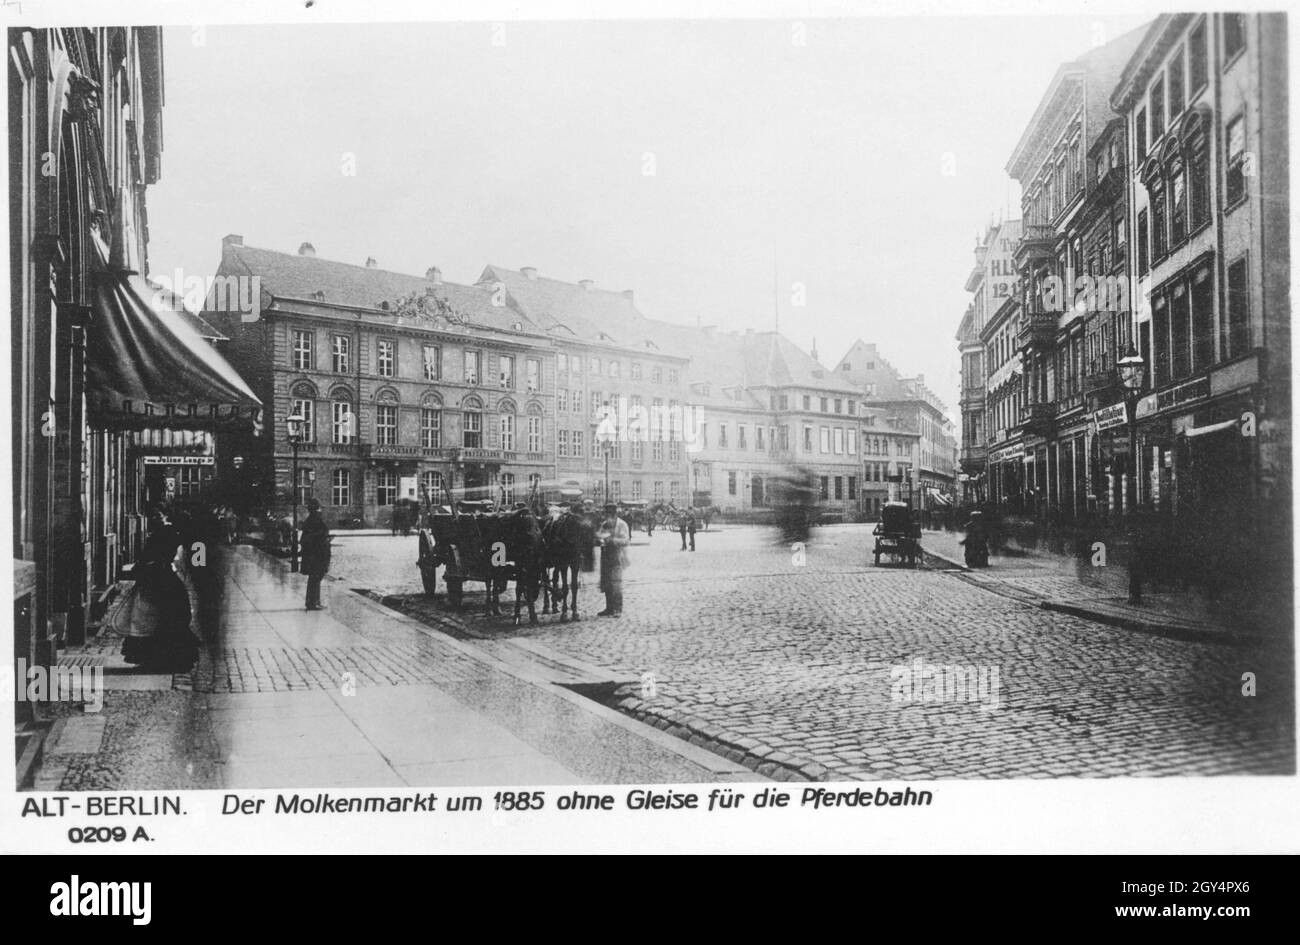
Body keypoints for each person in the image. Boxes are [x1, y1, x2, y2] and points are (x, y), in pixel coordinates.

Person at [120, 505, 201, 672]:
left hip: (159, 579)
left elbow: (158, 555)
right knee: (156, 618)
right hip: (158, 578)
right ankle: (160, 659)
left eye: (158, 515)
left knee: (159, 618)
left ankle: (163, 659)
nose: (155, 518)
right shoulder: (165, 531)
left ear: (165, 515)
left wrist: (144, 565)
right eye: (153, 515)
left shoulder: (166, 532)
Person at [596, 502, 630, 616]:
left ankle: (618, 609)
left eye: (610, 513)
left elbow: (626, 541)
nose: (607, 516)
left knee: (616, 583)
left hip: (617, 556)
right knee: (606, 583)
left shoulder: (622, 524)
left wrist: (613, 540)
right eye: (606, 513)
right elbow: (599, 535)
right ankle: (609, 608)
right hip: (605, 556)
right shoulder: (604, 524)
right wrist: (599, 539)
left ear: (615, 514)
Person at [300, 498, 332, 610]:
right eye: (319, 508)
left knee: (314, 578)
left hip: (313, 554)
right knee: (316, 577)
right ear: (316, 509)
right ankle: (313, 603)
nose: (321, 510)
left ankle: (313, 602)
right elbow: (318, 535)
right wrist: (325, 539)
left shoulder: (311, 520)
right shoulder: (316, 520)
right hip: (318, 554)